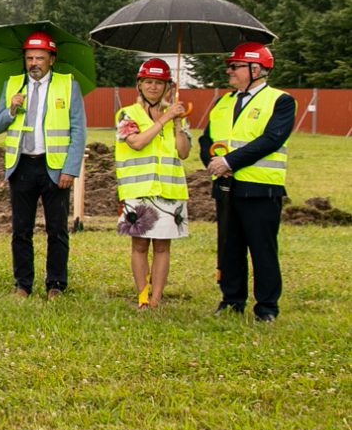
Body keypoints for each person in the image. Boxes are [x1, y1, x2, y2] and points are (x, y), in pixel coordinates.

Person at [201, 42, 294, 321]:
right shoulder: (223, 102)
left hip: (260, 188)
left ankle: (266, 307)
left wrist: (230, 162)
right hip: (227, 187)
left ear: (256, 69)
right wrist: (213, 161)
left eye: (235, 66)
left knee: (262, 249)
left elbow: (271, 139)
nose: (229, 71)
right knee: (229, 248)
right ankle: (231, 300)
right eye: (229, 66)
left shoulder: (280, 100)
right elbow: (207, 138)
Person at [0, 30, 87, 297]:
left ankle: (55, 284)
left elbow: (79, 131)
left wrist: (70, 168)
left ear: (51, 60)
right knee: (21, 230)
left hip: (54, 168)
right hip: (22, 167)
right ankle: (23, 284)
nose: (34, 63)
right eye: (30, 57)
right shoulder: (13, 85)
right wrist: (10, 110)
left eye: (40, 58)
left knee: (57, 230)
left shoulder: (68, 86)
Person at [113, 58, 192, 309]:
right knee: (139, 244)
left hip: (169, 191)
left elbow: (183, 152)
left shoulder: (176, 115)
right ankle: (143, 296)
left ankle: (157, 298)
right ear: (139, 85)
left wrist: (177, 124)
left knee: (162, 246)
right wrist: (164, 119)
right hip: (139, 190)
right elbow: (135, 142)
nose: (153, 87)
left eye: (159, 83)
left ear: (168, 86)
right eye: (148, 82)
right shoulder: (127, 113)